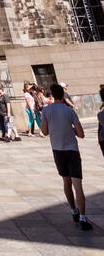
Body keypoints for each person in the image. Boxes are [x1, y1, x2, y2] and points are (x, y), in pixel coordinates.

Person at [40, 83, 93, 231]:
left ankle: (73, 211)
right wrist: (71, 130)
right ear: (62, 95)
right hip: (72, 150)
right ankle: (82, 217)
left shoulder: (46, 111)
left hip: (57, 150)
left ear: (51, 95)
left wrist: (55, 128)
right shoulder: (69, 111)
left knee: (66, 181)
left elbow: (44, 131)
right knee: (78, 185)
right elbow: (81, 134)